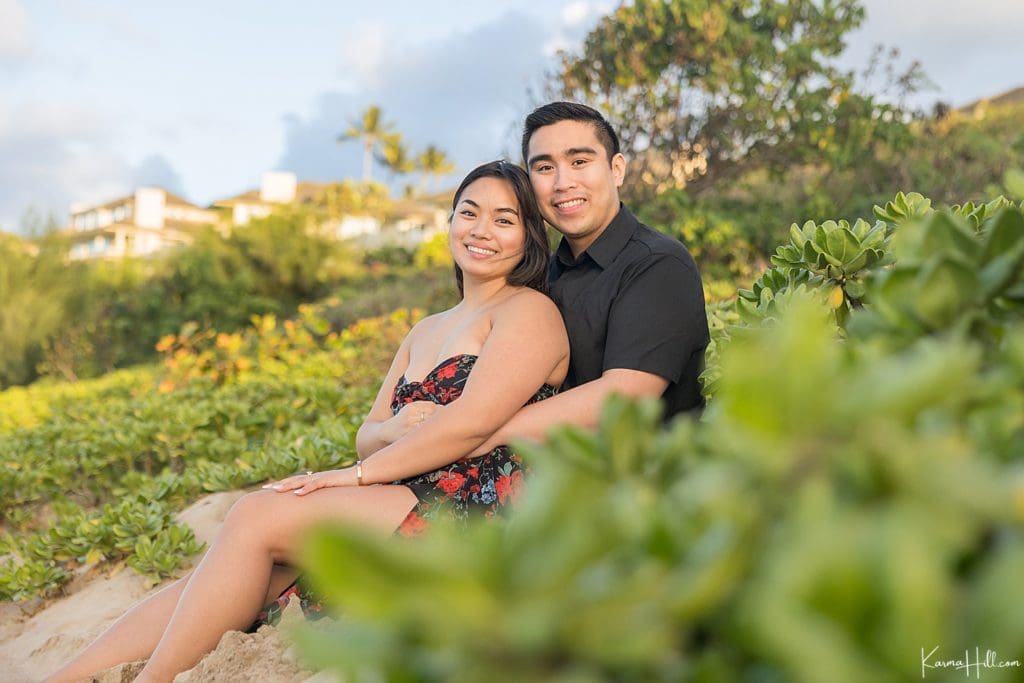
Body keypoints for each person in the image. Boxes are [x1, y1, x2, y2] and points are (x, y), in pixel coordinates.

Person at [45, 160, 570, 683]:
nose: (481, 230)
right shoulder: (426, 329)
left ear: (530, 237)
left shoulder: (528, 311)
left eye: (504, 220)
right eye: (469, 213)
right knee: (238, 573)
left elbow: (472, 425)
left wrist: (351, 477)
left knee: (255, 516)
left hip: (471, 507)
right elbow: (368, 434)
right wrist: (391, 431)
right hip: (401, 492)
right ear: (451, 221)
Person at [470, 101, 709, 456]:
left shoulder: (659, 265)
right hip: (538, 471)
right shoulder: (539, 274)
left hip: (644, 478)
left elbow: (622, 400)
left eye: (579, 162)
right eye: (545, 167)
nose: (563, 183)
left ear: (616, 169)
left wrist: (475, 432)